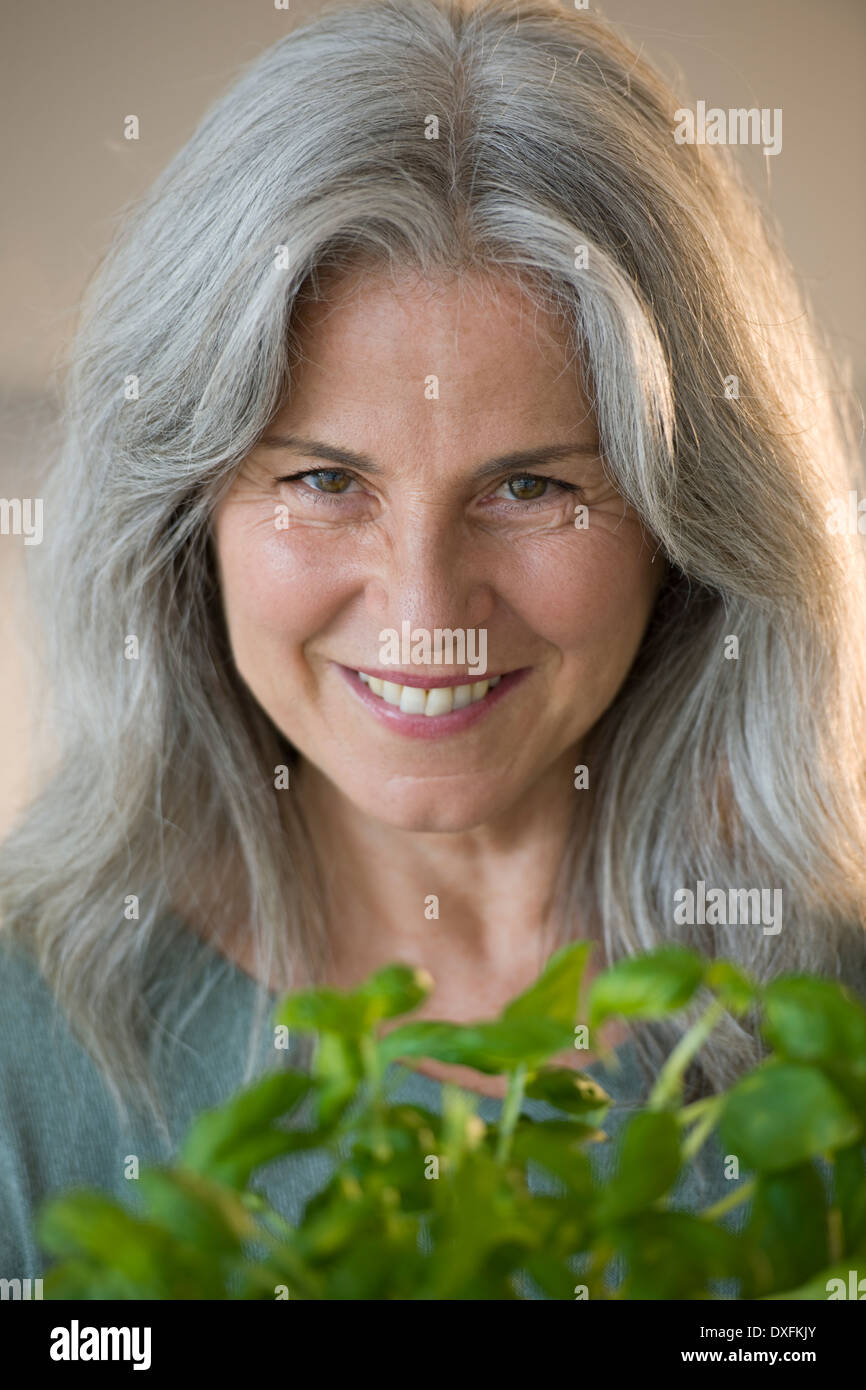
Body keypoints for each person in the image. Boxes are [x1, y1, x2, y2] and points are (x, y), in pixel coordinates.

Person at [2, 0, 865, 1294]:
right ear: (188, 516)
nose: (424, 610)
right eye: (322, 478)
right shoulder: (26, 1034)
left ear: (687, 523)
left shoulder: (831, 1013)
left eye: (529, 487)